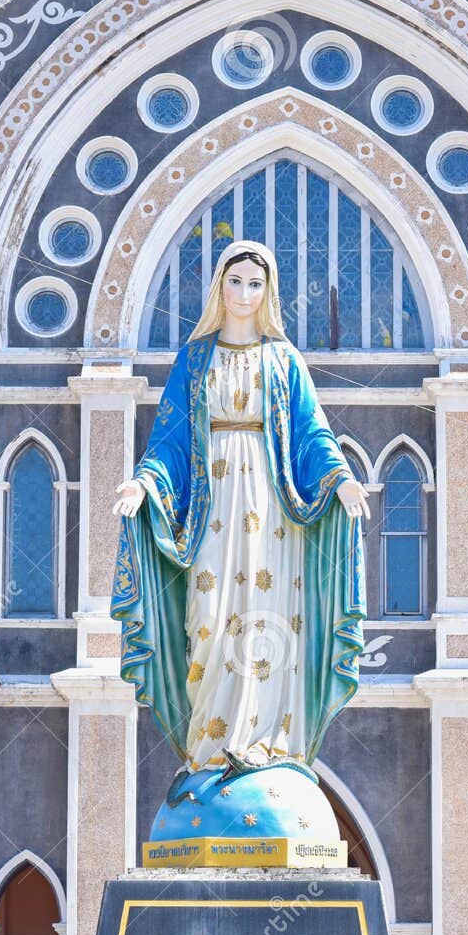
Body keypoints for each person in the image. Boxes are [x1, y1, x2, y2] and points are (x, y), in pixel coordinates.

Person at [110, 239, 369, 820]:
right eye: (236, 282)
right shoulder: (195, 360)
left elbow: (311, 434)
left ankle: (268, 744)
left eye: (256, 284)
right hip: (213, 508)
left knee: (270, 620)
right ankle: (209, 747)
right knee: (210, 617)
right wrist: (145, 483)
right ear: (219, 288)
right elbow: (171, 440)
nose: (245, 294)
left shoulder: (284, 360)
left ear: (268, 292)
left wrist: (341, 480)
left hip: (274, 514)